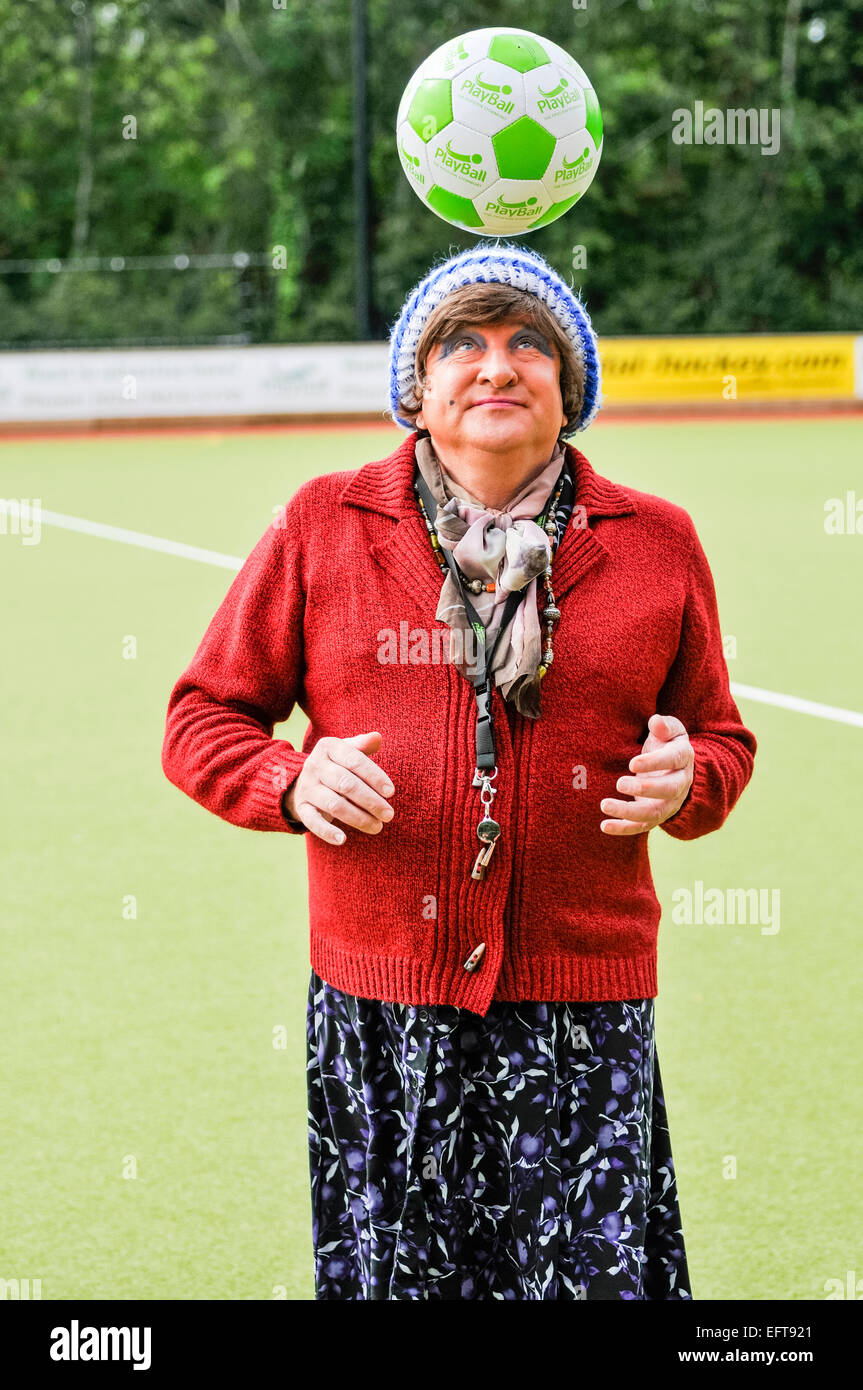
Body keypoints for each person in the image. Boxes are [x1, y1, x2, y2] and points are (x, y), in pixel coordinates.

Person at [161, 240, 757, 1301]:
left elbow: (718, 737)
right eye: (461, 345)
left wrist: (690, 778)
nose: (496, 366)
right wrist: (288, 779)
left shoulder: (657, 543)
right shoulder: (321, 523)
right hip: (382, 1014)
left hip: (583, 1014)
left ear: (567, 388)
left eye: (529, 343)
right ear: (415, 388)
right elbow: (203, 716)